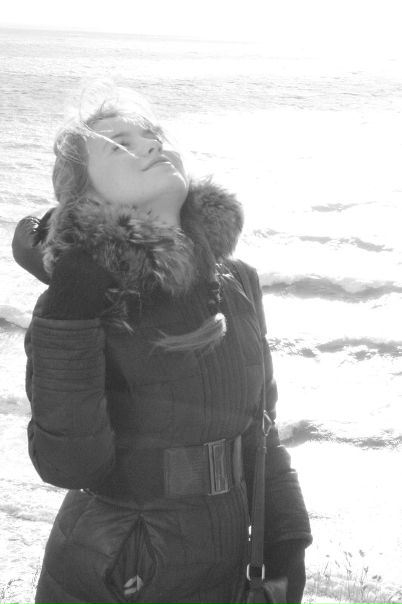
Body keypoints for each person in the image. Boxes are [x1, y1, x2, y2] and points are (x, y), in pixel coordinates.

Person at [12, 85, 312, 604]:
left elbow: (261, 429)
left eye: (151, 134)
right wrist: (69, 312)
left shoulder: (236, 279)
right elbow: (69, 466)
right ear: (88, 197)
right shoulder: (79, 298)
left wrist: (287, 541)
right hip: (119, 570)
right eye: (119, 145)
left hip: (225, 557)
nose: (150, 145)